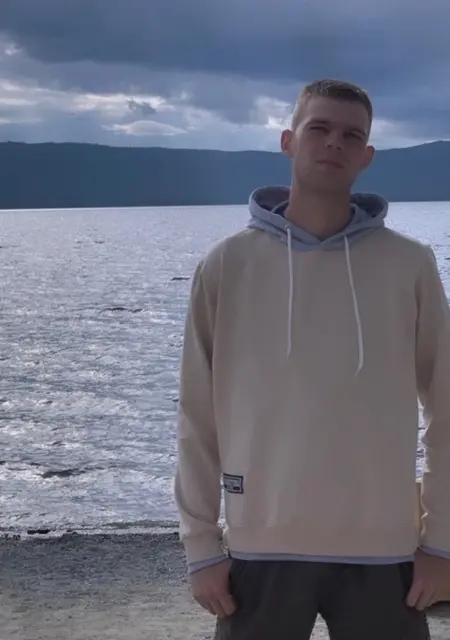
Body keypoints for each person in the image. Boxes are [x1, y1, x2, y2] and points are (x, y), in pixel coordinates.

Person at [174, 78, 450, 639]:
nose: (333, 144)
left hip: (385, 551)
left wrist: (441, 542)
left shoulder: (410, 265)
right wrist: (201, 545)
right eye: (318, 128)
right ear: (288, 140)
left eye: (351, 136)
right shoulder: (226, 265)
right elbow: (197, 417)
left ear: (367, 155)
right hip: (260, 546)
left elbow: (445, 409)